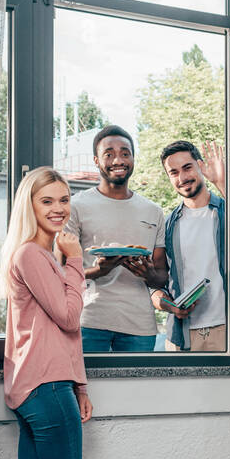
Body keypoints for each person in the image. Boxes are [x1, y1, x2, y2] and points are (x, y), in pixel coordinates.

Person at [0, 166, 92, 459]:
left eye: (63, 200)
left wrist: (81, 385)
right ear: (29, 206)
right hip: (47, 391)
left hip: (42, 389)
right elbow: (71, 318)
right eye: (46, 201)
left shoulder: (36, 257)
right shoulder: (34, 256)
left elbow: (59, 335)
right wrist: (76, 261)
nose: (58, 209)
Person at [64, 124, 166, 351]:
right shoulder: (77, 206)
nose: (118, 160)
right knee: (87, 388)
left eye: (125, 153)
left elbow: (162, 276)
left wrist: (149, 275)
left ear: (133, 159)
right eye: (108, 154)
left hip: (140, 327)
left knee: (135, 388)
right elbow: (61, 272)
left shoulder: (153, 211)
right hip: (89, 321)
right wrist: (100, 271)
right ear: (96, 160)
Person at [150, 140, 229, 351]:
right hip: (181, 336)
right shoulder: (166, 226)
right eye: (173, 172)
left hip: (229, 331)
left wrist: (222, 183)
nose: (182, 177)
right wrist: (170, 306)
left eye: (187, 167)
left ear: (200, 166)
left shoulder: (227, 212)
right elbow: (155, 286)